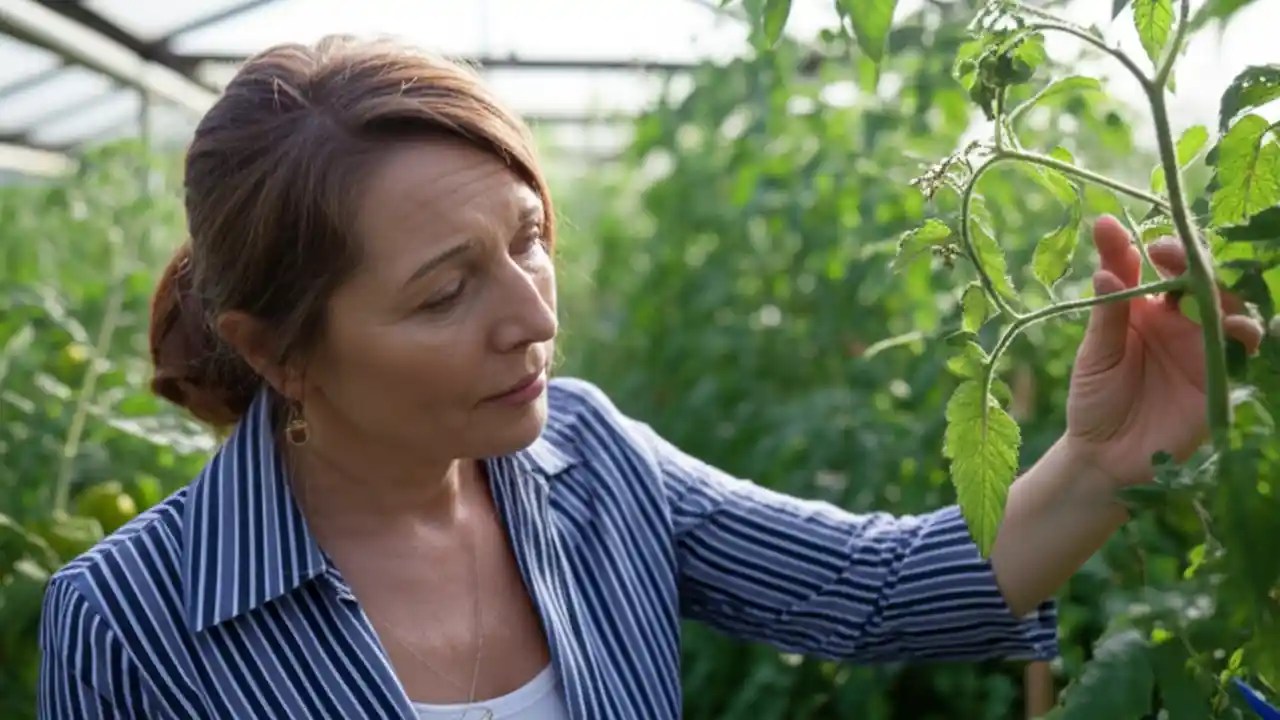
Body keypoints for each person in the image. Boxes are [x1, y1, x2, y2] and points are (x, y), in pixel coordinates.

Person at [36, 34, 1265, 720]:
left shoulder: (589, 461)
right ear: (273, 349)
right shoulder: (140, 623)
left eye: (526, 241)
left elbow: (869, 587)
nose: (530, 316)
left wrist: (1106, 456)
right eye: (441, 292)